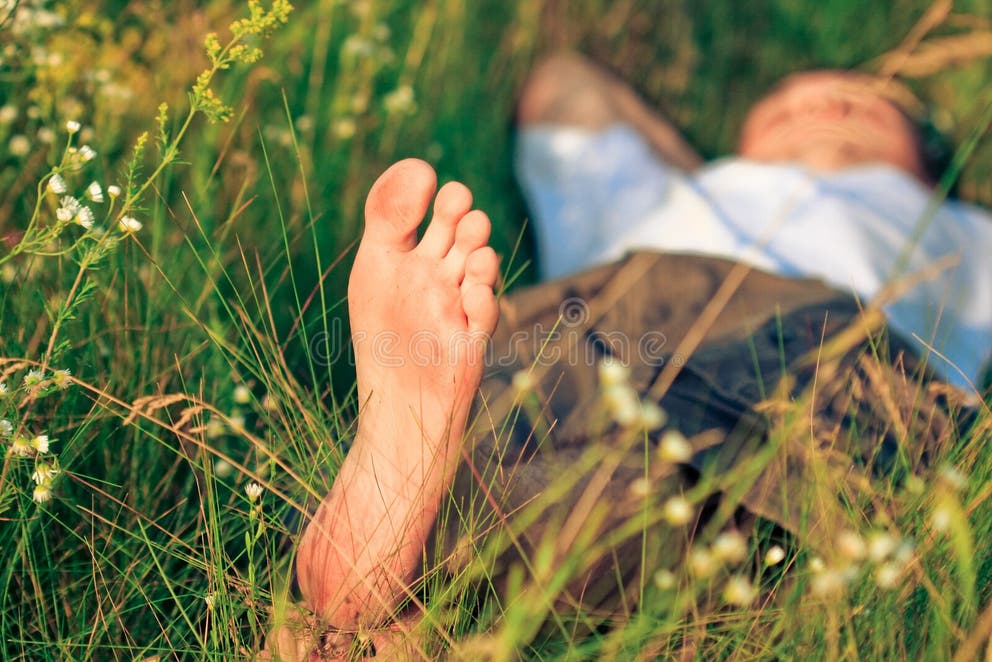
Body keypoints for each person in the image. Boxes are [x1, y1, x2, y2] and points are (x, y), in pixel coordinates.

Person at [266, 54, 992, 660]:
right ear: (740, 139)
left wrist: (773, 152)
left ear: (932, 162)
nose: (824, 104)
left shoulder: (968, 234)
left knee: (673, 499)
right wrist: (711, 170)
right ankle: (414, 526)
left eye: (865, 105)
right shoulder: (659, 193)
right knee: (507, 427)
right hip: (605, 311)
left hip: (816, 340)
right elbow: (565, 81)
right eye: (790, 101)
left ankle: (391, 555)